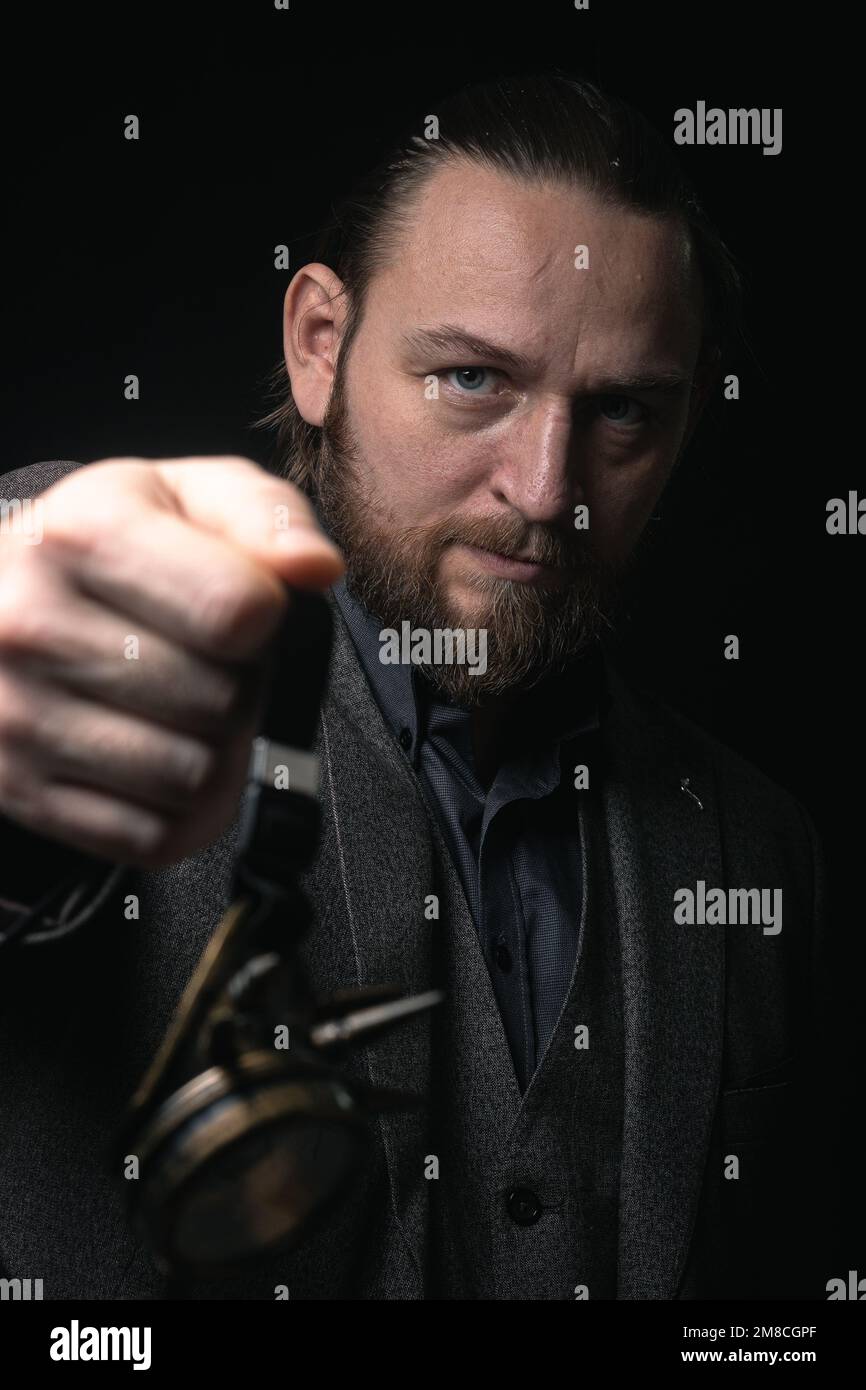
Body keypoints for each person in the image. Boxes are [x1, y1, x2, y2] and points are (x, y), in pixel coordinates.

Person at [0, 71, 826, 1300]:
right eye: (472, 380)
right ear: (320, 346)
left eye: (622, 412)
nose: (546, 489)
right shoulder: (142, 669)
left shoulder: (761, 847)